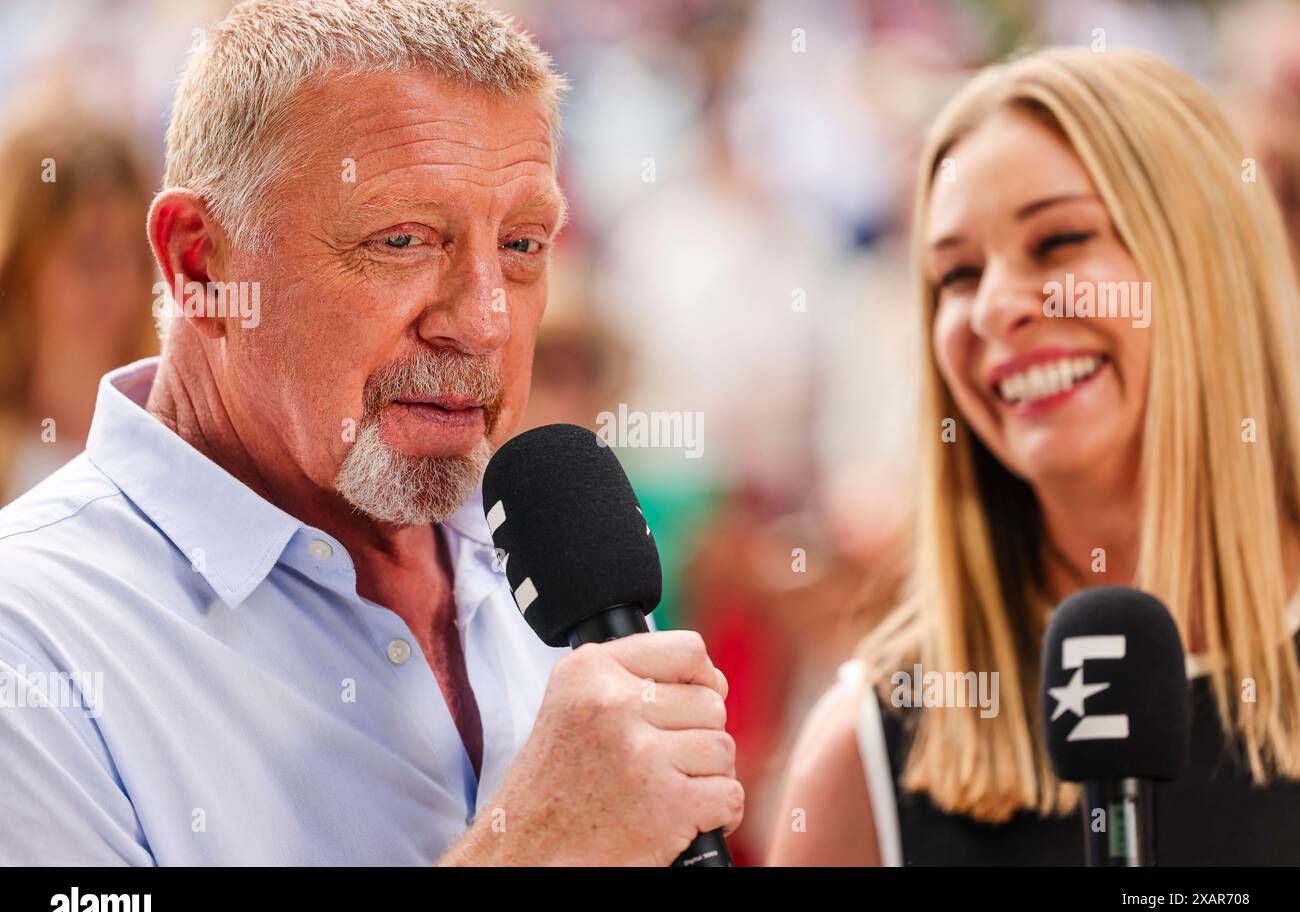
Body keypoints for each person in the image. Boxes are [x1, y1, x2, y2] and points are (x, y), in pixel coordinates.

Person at [0, 0, 741, 866]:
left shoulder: (557, 569)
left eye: (524, 244)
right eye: (403, 238)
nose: (485, 321)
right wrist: (531, 849)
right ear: (201, 261)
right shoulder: (34, 639)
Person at [769, 48, 1300, 865]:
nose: (996, 308)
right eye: (956, 274)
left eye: (1058, 241)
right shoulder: (863, 752)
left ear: (1207, 262)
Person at [0, 119, 155, 502]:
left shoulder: (169, 442)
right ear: (21, 267)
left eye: (135, 253)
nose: (122, 283)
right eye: (90, 254)